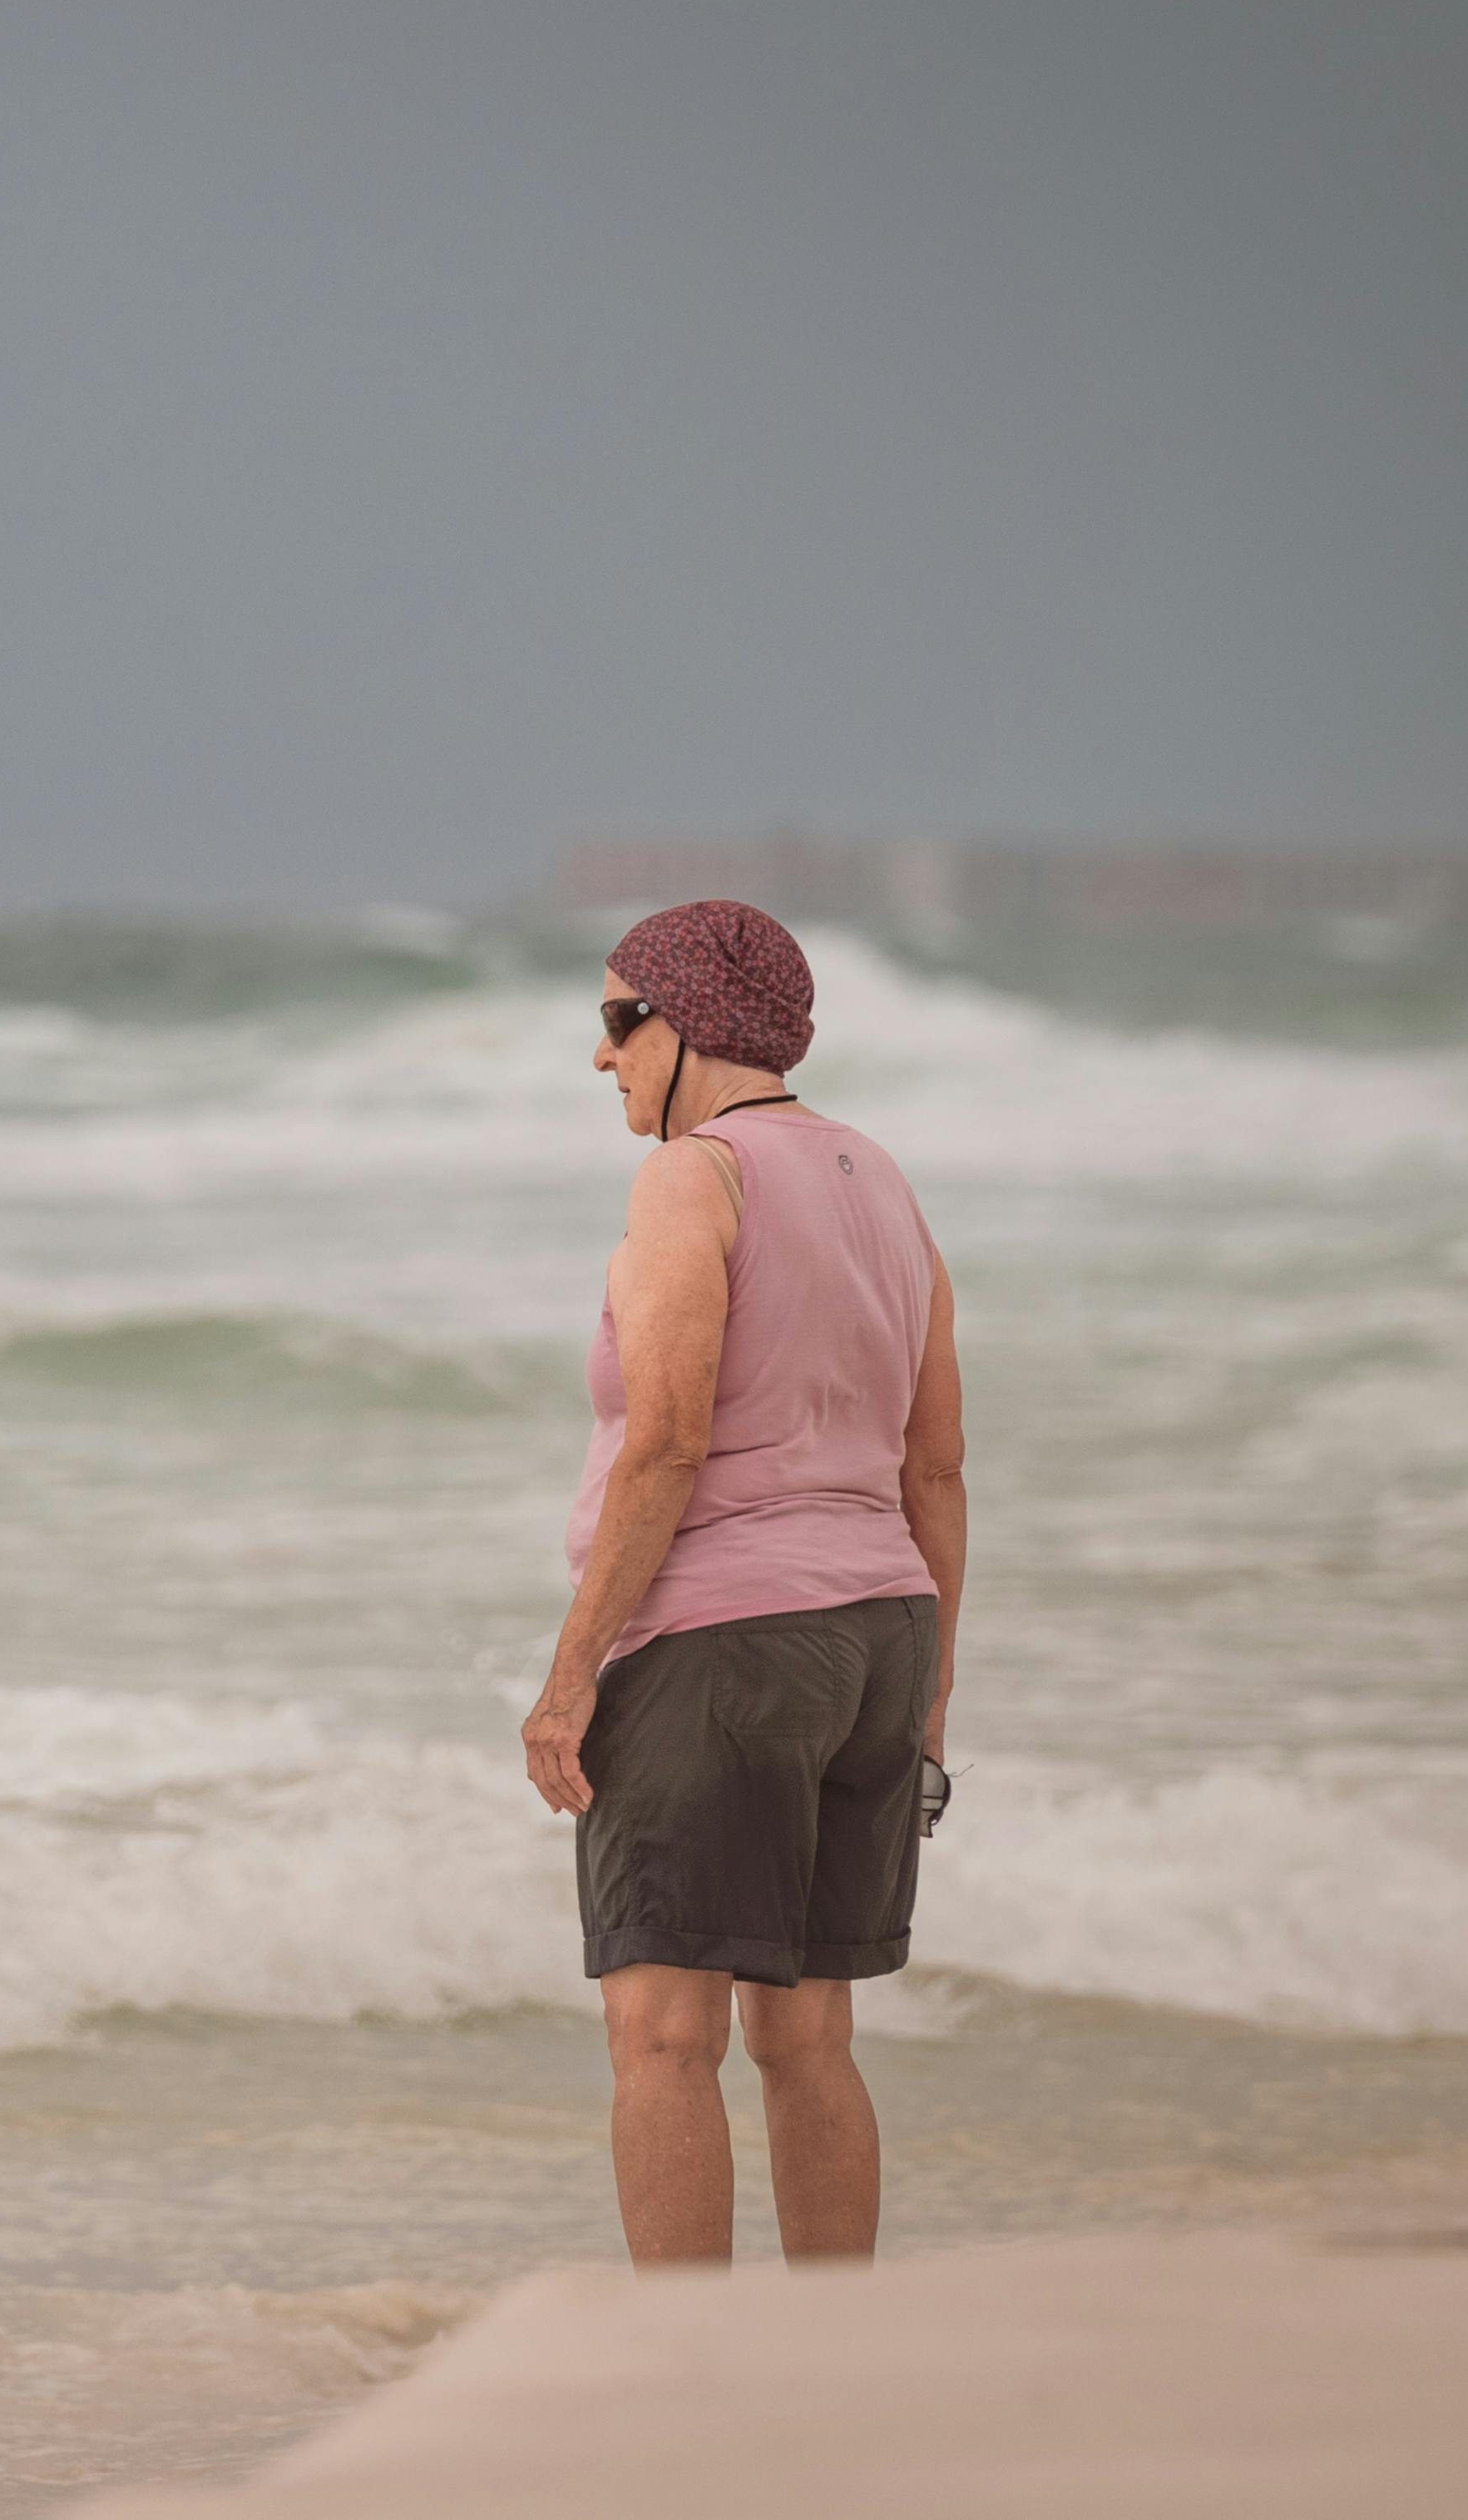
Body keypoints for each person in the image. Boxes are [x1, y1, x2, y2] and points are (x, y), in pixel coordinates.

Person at [521, 898, 965, 2266]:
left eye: (616, 1021)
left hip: (723, 1640)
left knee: (661, 2030)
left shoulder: (691, 1176)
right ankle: (823, 2365)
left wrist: (568, 1677)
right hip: (878, 1636)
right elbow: (934, 1473)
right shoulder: (876, 1174)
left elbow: (665, 1438)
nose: (602, 1059)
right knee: (807, 2032)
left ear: (689, 1019)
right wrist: (928, 1704)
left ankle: (690, 2384)